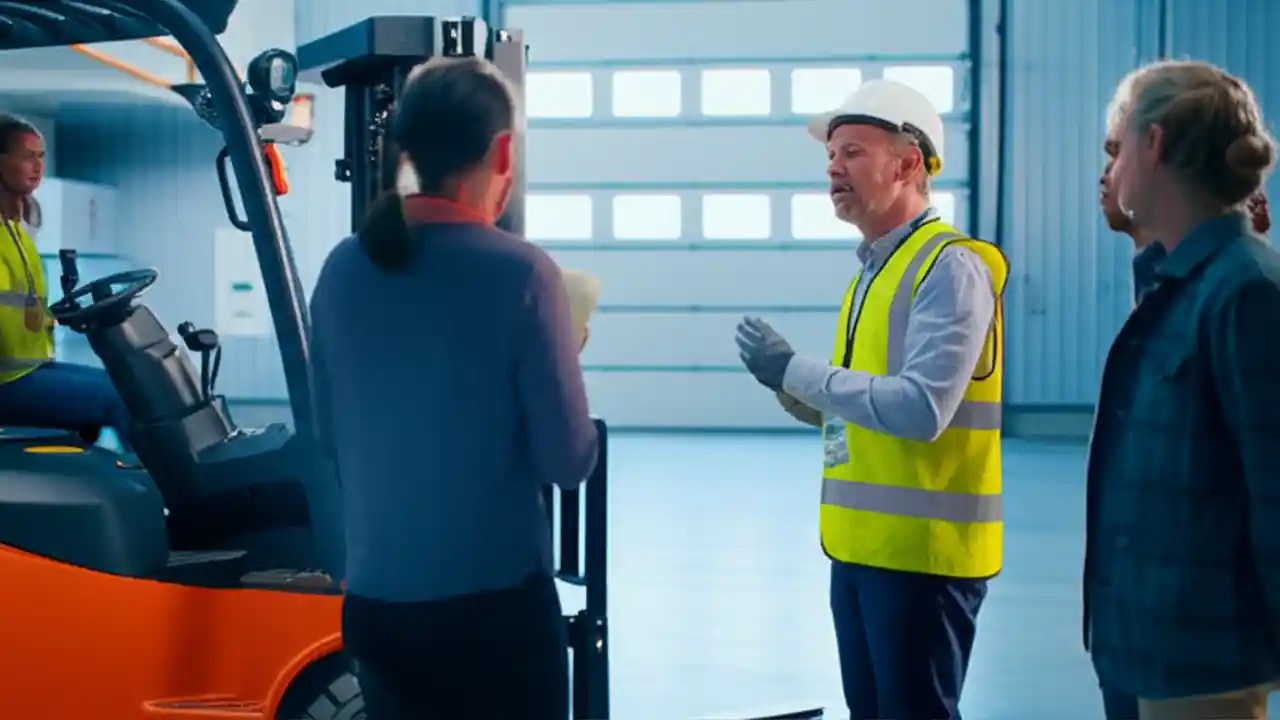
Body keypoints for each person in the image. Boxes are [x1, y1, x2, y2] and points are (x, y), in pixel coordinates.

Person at [307, 56, 598, 719]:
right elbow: (567, 459)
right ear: (502, 151)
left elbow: (327, 435)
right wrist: (564, 361)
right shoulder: (521, 273)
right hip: (492, 615)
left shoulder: (343, 268)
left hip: (377, 612)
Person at [734, 79, 1009, 720]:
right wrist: (791, 387)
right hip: (861, 549)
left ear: (908, 163)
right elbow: (859, 408)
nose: (833, 167)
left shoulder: (949, 266)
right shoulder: (874, 271)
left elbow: (919, 407)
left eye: (852, 151)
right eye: (831, 156)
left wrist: (798, 369)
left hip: (924, 557)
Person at [1085, 59, 1280, 720]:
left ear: (1156, 144)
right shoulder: (1178, 287)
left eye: (1118, 146)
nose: (1108, 169)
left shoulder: (1246, 292)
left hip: (1202, 668)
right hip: (1141, 652)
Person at [0, 114, 133, 450]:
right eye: (26, 156)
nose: (37, 166)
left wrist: (58, 317)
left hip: (27, 371)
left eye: (41, 156)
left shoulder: (17, 231)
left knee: (128, 385)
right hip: (7, 382)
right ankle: (167, 495)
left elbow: (20, 306)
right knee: (121, 398)